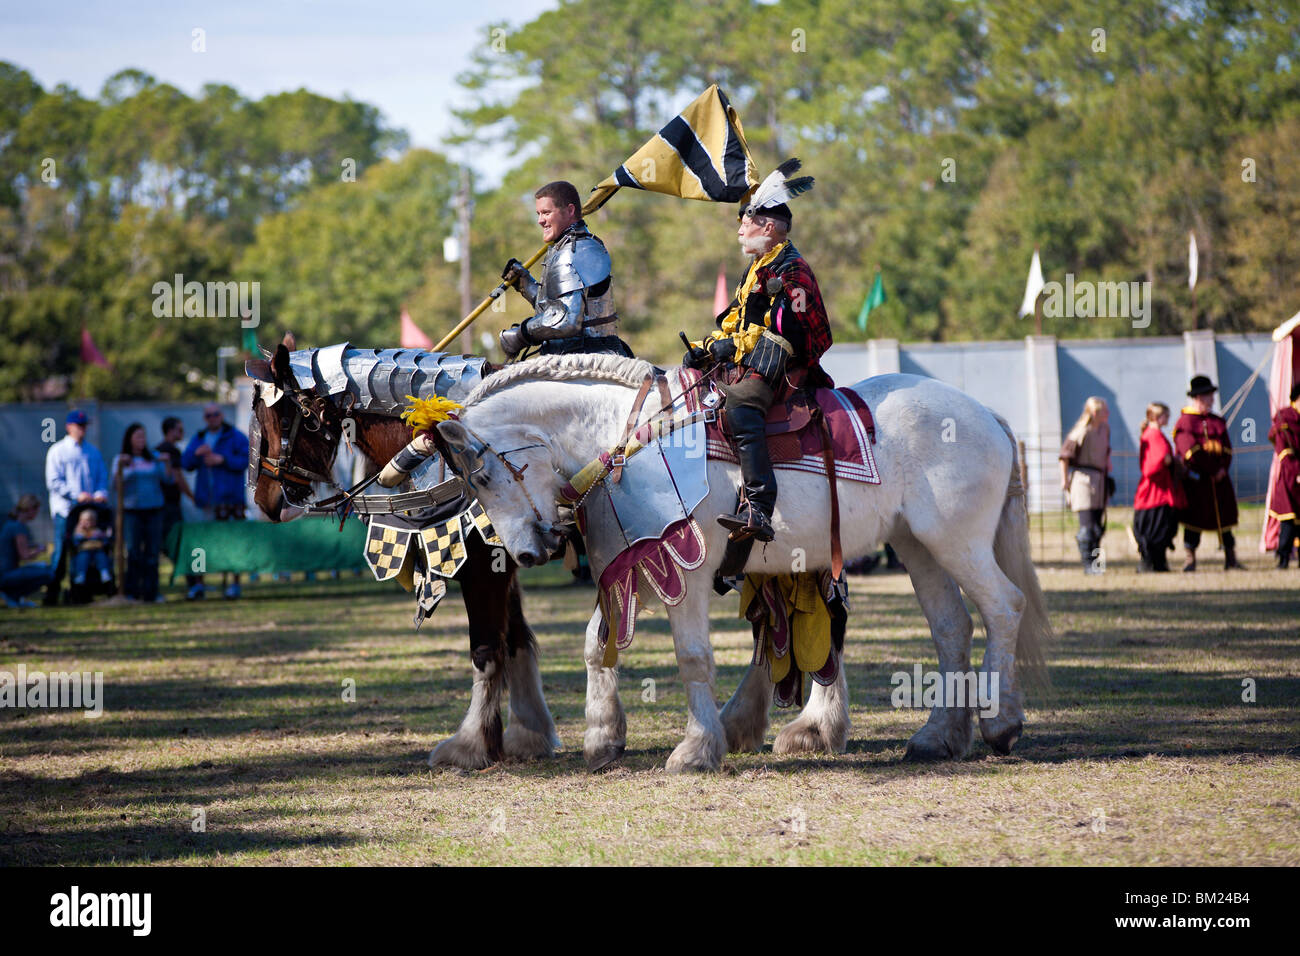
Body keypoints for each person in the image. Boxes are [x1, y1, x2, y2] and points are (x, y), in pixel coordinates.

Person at [681, 159, 830, 543]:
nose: (739, 228)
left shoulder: (793, 270)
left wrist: (734, 346)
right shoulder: (758, 267)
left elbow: (788, 330)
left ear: (768, 226)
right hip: (750, 359)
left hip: (783, 367)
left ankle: (759, 509)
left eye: (746, 221)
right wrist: (706, 348)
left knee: (741, 407)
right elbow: (736, 320)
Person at [498, 180, 633, 359]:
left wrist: (521, 334)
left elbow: (566, 321)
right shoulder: (564, 248)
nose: (540, 220)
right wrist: (524, 283)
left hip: (588, 357)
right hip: (569, 354)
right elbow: (553, 308)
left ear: (570, 211)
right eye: (538, 213)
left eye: (546, 212)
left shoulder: (574, 251)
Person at [181, 404, 250, 599]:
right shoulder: (200, 437)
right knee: (201, 544)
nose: (213, 418)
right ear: (205, 418)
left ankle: (233, 584)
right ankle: (199, 584)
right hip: (207, 502)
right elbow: (186, 463)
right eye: (209, 415)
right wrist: (196, 454)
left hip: (230, 501)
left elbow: (247, 460)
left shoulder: (235, 436)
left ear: (222, 416)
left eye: (216, 414)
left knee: (232, 542)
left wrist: (223, 459)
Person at [1174, 375, 1242, 571]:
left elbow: (1227, 448)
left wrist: (1221, 470)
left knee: (1225, 520)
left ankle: (1231, 559)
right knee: (1193, 522)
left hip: (1220, 481)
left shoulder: (1217, 421)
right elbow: (1190, 452)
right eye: (1208, 397)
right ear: (1197, 398)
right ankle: (1190, 560)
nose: (1212, 400)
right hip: (1197, 482)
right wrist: (1211, 469)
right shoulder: (1185, 422)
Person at [43, 409, 109, 604]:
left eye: (84, 426)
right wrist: (75, 495)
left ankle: (83, 589)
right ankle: (52, 593)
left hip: (89, 514)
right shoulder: (57, 451)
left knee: (90, 551)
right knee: (62, 551)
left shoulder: (92, 452)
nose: (82, 430)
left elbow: (101, 478)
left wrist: (99, 494)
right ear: (68, 427)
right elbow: (53, 482)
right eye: (79, 426)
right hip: (65, 511)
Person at [113, 423, 174, 603]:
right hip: (132, 512)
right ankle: (132, 591)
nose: (142, 440)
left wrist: (167, 462)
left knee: (152, 552)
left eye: (143, 436)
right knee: (133, 551)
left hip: (154, 510)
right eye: (138, 436)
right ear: (129, 439)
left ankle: (151, 592)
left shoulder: (154, 458)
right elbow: (116, 485)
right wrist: (125, 467)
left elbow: (168, 479)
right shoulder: (121, 460)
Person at [1059, 396, 1113, 573]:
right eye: (1105, 411)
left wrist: (1107, 466)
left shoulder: (1105, 429)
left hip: (1099, 479)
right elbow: (1065, 456)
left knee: (1098, 527)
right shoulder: (1080, 431)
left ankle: (1097, 564)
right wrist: (1064, 479)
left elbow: (1106, 450)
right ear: (1095, 412)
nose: (1108, 414)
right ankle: (1088, 564)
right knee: (1087, 527)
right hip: (1083, 480)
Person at [1133, 402, 1185, 572]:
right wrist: (1169, 459)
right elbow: (1155, 462)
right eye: (1166, 415)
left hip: (1161, 488)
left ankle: (1159, 563)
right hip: (1156, 490)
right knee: (1155, 527)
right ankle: (1150, 563)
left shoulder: (1155, 434)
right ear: (1156, 417)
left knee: (1163, 527)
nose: (1168, 419)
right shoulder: (1153, 435)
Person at [156, 416, 197, 589]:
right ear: (171, 431)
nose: (182, 433)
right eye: (180, 430)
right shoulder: (171, 451)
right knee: (179, 544)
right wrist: (193, 497)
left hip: (158, 506)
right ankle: (193, 584)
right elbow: (178, 478)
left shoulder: (157, 449)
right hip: (170, 506)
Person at [1267, 382, 1300, 568]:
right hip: (1290, 479)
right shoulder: (1284, 420)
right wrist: (1297, 472)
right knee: (1288, 523)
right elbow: (1284, 453)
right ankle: (1284, 558)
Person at [1, 495, 54, 609]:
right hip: (5, 576)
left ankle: (12, 596)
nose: (37, 514)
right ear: (30, 509)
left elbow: (14, 546)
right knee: (49, 573)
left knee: (42, 569)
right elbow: (25, 556)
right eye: (36, 510)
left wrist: (33, 546)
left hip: (5, 573)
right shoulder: (19, 527)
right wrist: (39, 550)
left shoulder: (10, 524)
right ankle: (12, 595)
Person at [69, 507, 113, 592]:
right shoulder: (79, 531)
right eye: (85, 521)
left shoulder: (97, 531)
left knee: (102, 557)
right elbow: (74, 542)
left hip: (97, 551)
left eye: (90, 521)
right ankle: (80, 574)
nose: (88, 523)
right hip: (84, 551)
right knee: (82, 558)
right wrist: (80, 537)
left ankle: (104, 572)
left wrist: (104, 536)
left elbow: (105, 541)